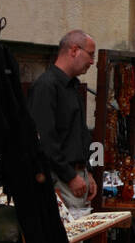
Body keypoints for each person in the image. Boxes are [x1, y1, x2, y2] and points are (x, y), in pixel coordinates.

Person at [29, 30, 98, 216]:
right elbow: (45, 139)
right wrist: (70, 176)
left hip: (76, 175)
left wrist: (87, 171)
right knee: (71, 241)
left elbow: (79, 134)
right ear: (74, 50)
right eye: (90, 55)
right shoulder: (47, 86)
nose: (92, 62)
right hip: (61, 179)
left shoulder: (72, 85)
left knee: (80, 238)